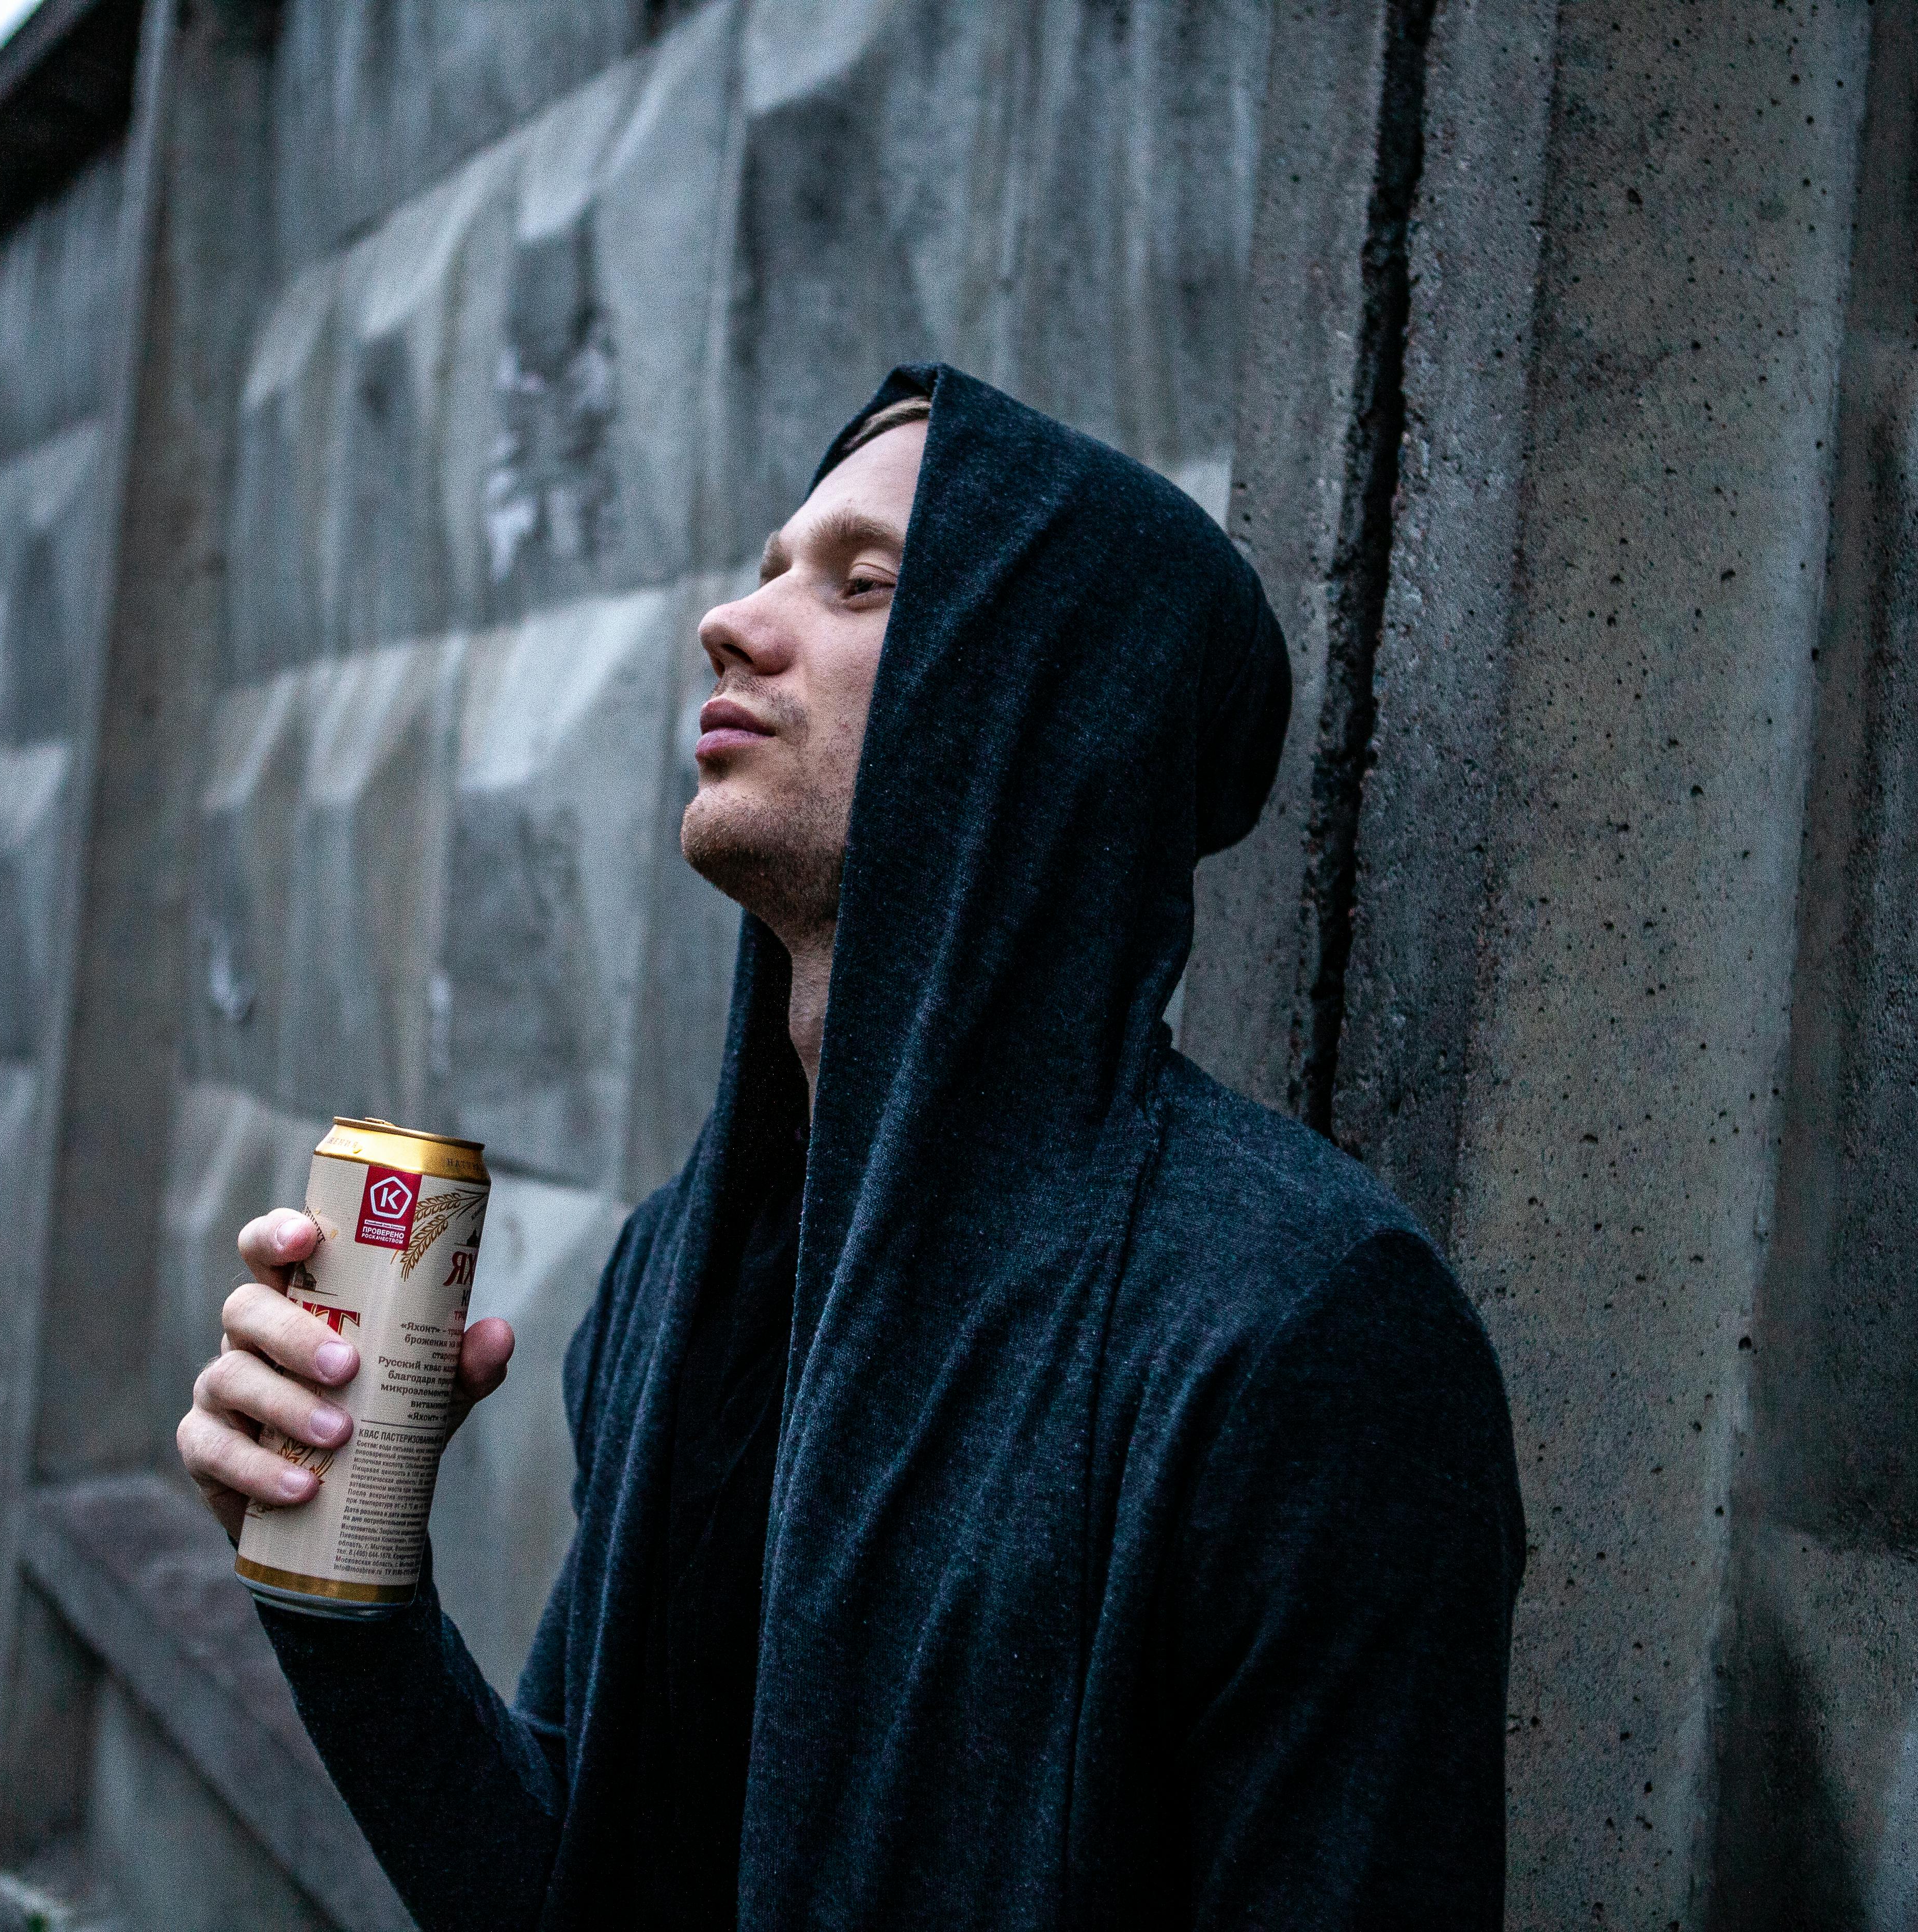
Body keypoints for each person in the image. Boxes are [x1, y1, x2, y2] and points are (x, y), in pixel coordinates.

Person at [175, 366, 1525, 1930]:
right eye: (767, 572)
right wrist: (345, 1600)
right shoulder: (676, 1272)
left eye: (862, 584)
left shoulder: (1302, 1328)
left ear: (1038, 701)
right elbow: (578, 1892)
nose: (731, 625)